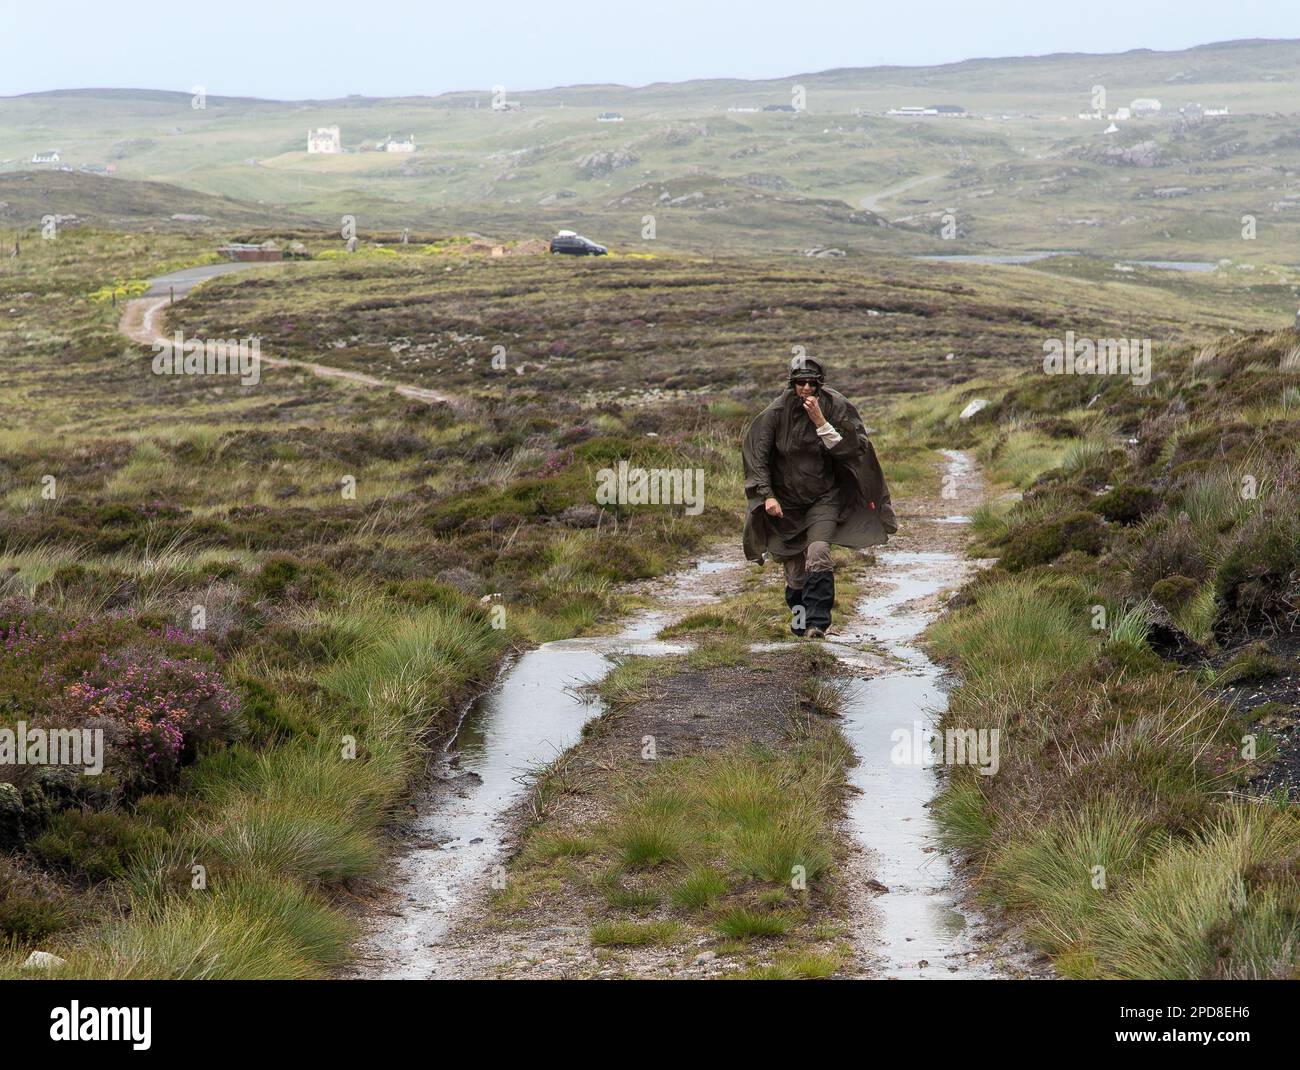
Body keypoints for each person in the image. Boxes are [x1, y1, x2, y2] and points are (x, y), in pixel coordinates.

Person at [741, 356, 897, 638]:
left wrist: (820, 421)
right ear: (792, 384)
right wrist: (767, 496)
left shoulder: (835, 406)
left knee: (818, 553)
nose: (806, 389)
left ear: (819, 384)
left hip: (824, 498)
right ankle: (801, 624)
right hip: (786, 505)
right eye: (800, 383)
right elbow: (757, 459)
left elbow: (851, 450)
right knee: (796, 573)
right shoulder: (776, 413)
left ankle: (817, 624)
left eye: (812, 383)